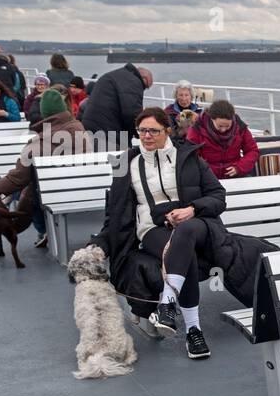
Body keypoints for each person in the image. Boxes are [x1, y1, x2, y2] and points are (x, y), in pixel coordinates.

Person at [89, 109, 225, 358]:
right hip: (153, 228)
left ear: (168, 131)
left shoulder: (189, 157)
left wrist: (191, 209)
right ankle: (193, 331)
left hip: (198, 223)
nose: (147, 136)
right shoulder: (126, 163)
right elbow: (116, 211)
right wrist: (101, 242)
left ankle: (167, 302)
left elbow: (218, 197)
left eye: (154, 130)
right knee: (185, 254)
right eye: (142, 130)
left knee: (185, 232)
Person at [0, 87, 90, 248]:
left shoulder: (39, 143)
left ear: (44, 113)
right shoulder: (80, 129)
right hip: (83, 189)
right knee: (37, 183)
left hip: (55, 193)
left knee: (31, 188)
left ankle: (42, 230)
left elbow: (19, 176)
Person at [82, 63, 153, 148]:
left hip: (92, 126)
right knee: (120, 157)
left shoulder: (115, 75)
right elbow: (131, 113)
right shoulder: (134, 81)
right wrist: (142, 132)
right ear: (144, 78)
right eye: (146, 86)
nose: (144, 89)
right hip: (107, 132)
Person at [186, 100, 258, 179]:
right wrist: (206, 171)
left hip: (235, 173)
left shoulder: (240, 127)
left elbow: (252, 150)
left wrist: (239, 168)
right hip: (207, 176)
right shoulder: (197, 129)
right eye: (220, 126)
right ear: (212, 119)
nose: (223, 130)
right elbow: (191, 157)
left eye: (227, 126)